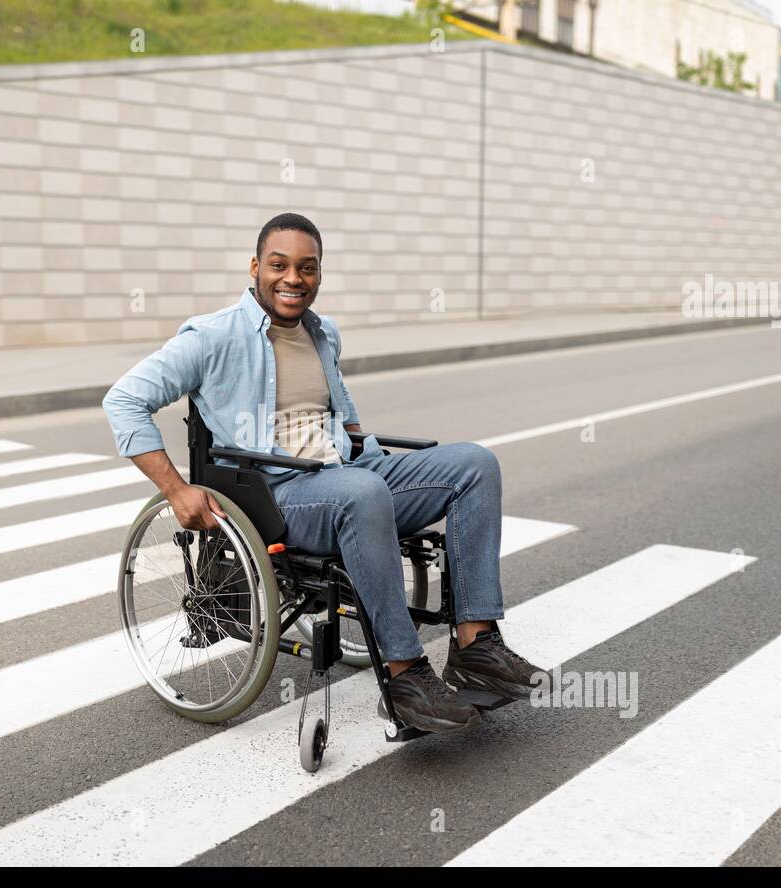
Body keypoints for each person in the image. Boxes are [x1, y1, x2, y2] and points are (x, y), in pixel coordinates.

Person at [102, 212, 541, 733]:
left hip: (352, 476)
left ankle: (475, 646)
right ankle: (405, 676)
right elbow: (123, 400)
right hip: (279, 494)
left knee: (474, 464)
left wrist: (360, 446)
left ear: (319, 274)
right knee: (362, 492)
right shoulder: (211, 337)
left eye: (307, 268)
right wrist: (176, 489)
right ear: (255, 268)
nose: (294, 278)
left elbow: (343, 413)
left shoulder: (322, 333)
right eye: (279, 265)